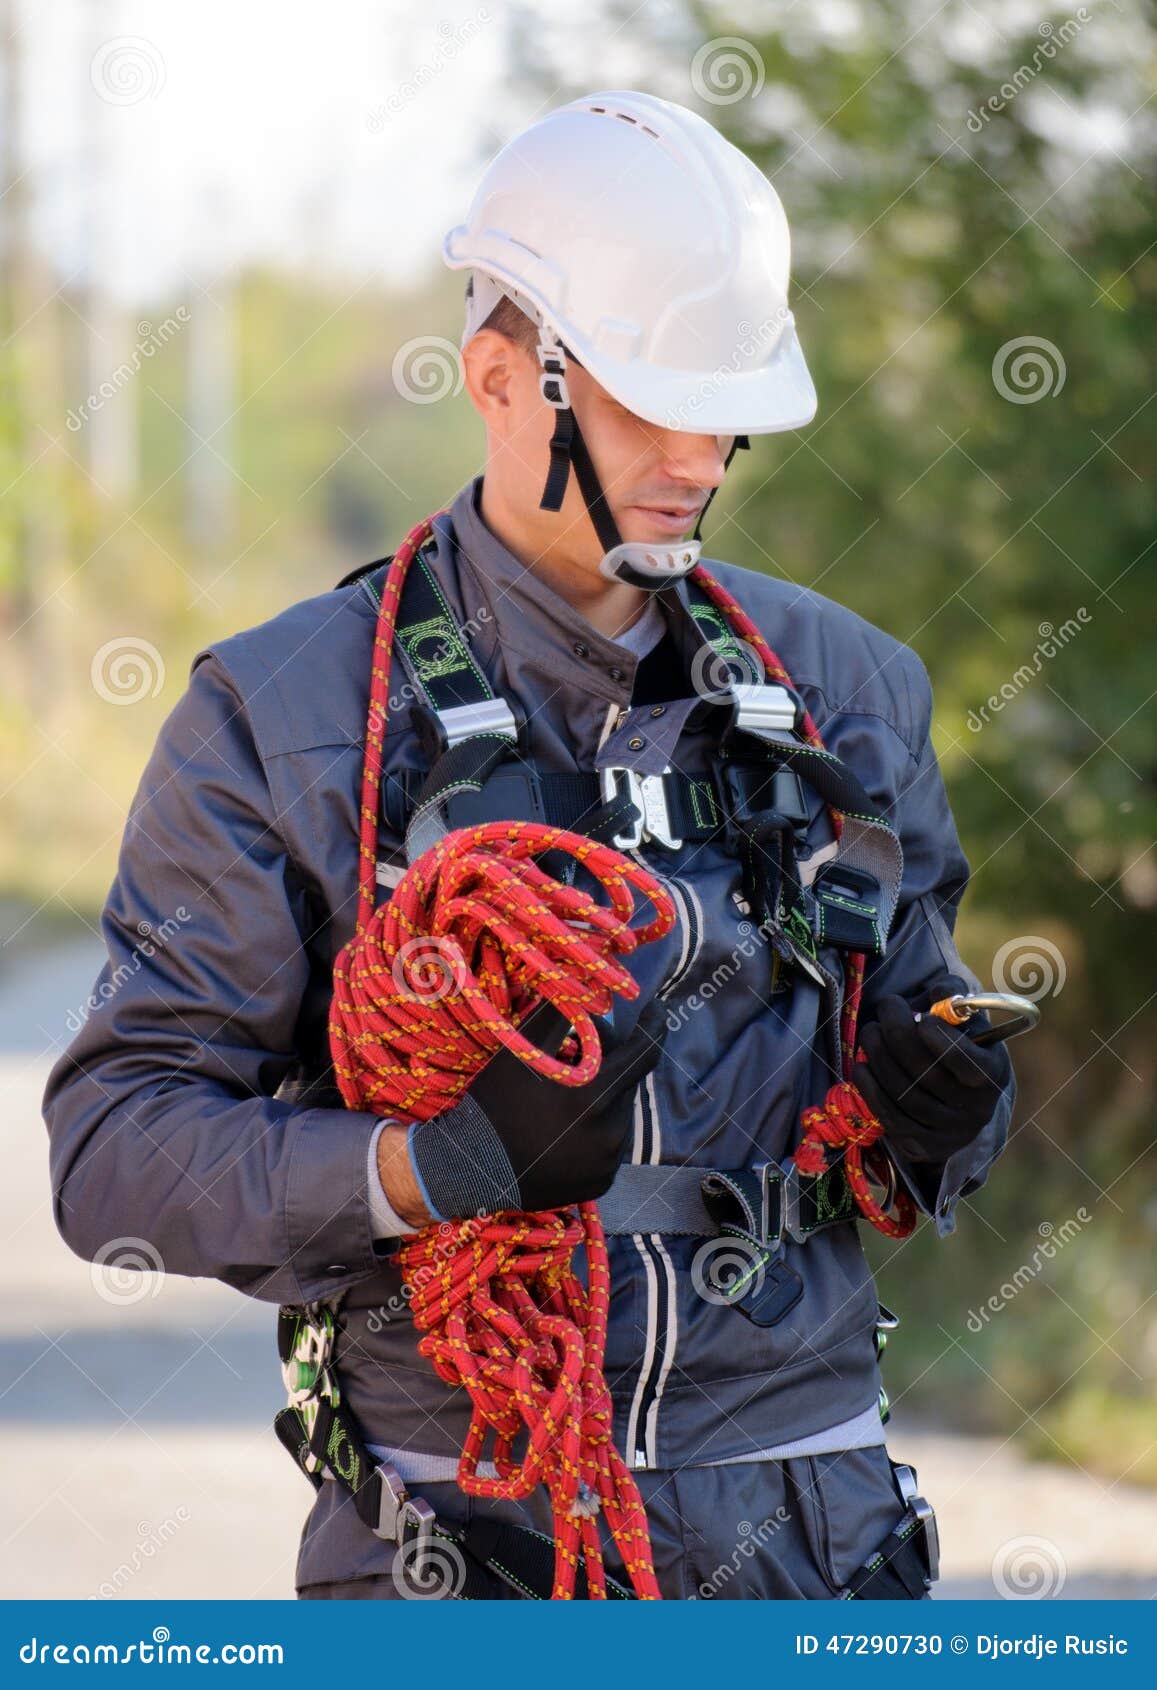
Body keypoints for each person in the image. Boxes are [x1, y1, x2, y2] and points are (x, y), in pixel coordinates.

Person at [42, 90, 1014, 1601]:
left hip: (814, 1537)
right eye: (648, 399)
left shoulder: (845, 690)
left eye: (725, 404)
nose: (700, 451)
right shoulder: (290, 718)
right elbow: (117, 1152)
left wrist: (943, 1111)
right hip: (470, 1543)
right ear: (502, 377)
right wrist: (427, 1169)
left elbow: (923, 1060)